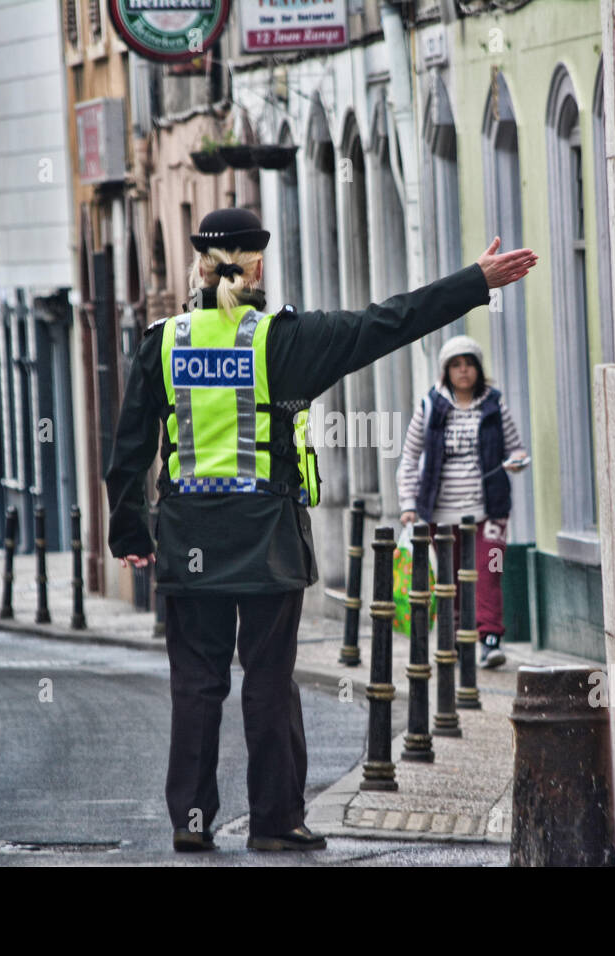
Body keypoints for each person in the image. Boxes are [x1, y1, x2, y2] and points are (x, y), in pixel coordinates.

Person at [104, 207, 537, 853]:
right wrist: (475, 280)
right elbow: (388, 322)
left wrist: (131, 534)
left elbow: (130, 448)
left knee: (196, 686)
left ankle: (190, 823)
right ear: (258, 266)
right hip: (266, 538)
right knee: (269, 681)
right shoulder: (287, 340)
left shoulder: (162, 340)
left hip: (189, 539)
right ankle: (277, 823)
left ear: (199, 266)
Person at [396, 336, 528, 669]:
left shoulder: (495, 405)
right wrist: (408, 503)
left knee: (489, 570)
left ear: (478, 368)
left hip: (490, 511)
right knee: (449, 578)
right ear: (446, 371)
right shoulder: (430, 407)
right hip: (440, 515)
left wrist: (516, 461)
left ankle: (490, 640)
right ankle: (453, 638)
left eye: (468, 363)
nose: (463, 370)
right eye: (456, 365)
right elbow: (410, 458)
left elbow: (516, 449)